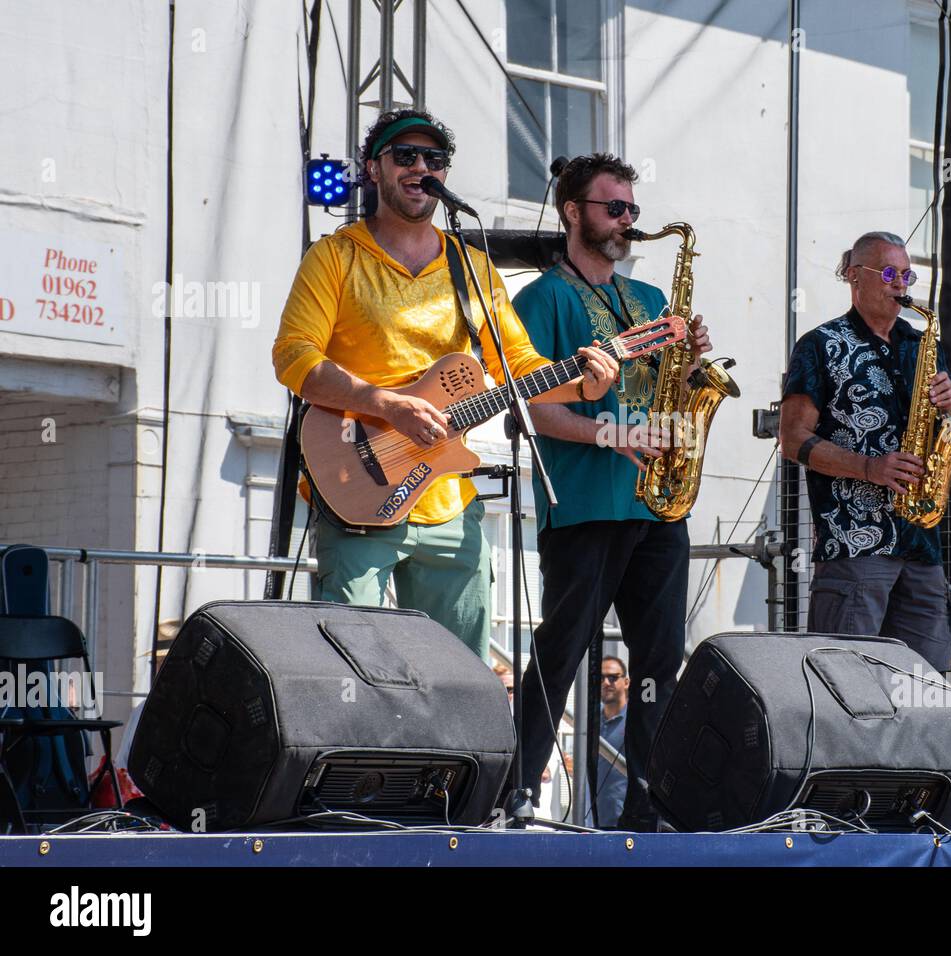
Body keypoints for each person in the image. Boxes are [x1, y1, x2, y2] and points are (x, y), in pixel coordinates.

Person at [272, 109, 618, 660]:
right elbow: (293, 356)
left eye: (433, 159)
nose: (420, 168)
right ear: (373, 169)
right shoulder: (336, 256)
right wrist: (384, 403)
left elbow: (518, 365)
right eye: (404, 156)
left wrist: (583, 385)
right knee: (346, 663)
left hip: (448, 496)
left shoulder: (472, 265)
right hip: (358, 482)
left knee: (461, 677)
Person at [510, 153, 711, 831]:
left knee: (660, 664)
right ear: (573, 212)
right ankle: (515, 794)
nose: (627, 221)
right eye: (613, 208)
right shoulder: (542, 300)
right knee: (561, 652)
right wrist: (605, 436)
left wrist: (690, 369)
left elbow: (665, 395)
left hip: (657, 505)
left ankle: (649, 814)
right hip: (586, 509)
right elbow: (529, 405)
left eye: (631, 209)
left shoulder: (650, 301)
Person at [779, 230, 951, 673]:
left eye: (906, 274)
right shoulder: (820, 345)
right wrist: (869, 468)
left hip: (921, 544)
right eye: (888, 273)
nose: (900, 284)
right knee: (846, 685)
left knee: (924, 689)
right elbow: (792, 440)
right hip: (855, 544)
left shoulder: (923, 345)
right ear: (853, 276)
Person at [592, 655, 629, 828]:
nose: (606, 683)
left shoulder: (636, 721)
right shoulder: (590, 721)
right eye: (600, 678)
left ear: (626, 682)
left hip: (626, 822)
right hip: (592, 820)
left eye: (613, 677)